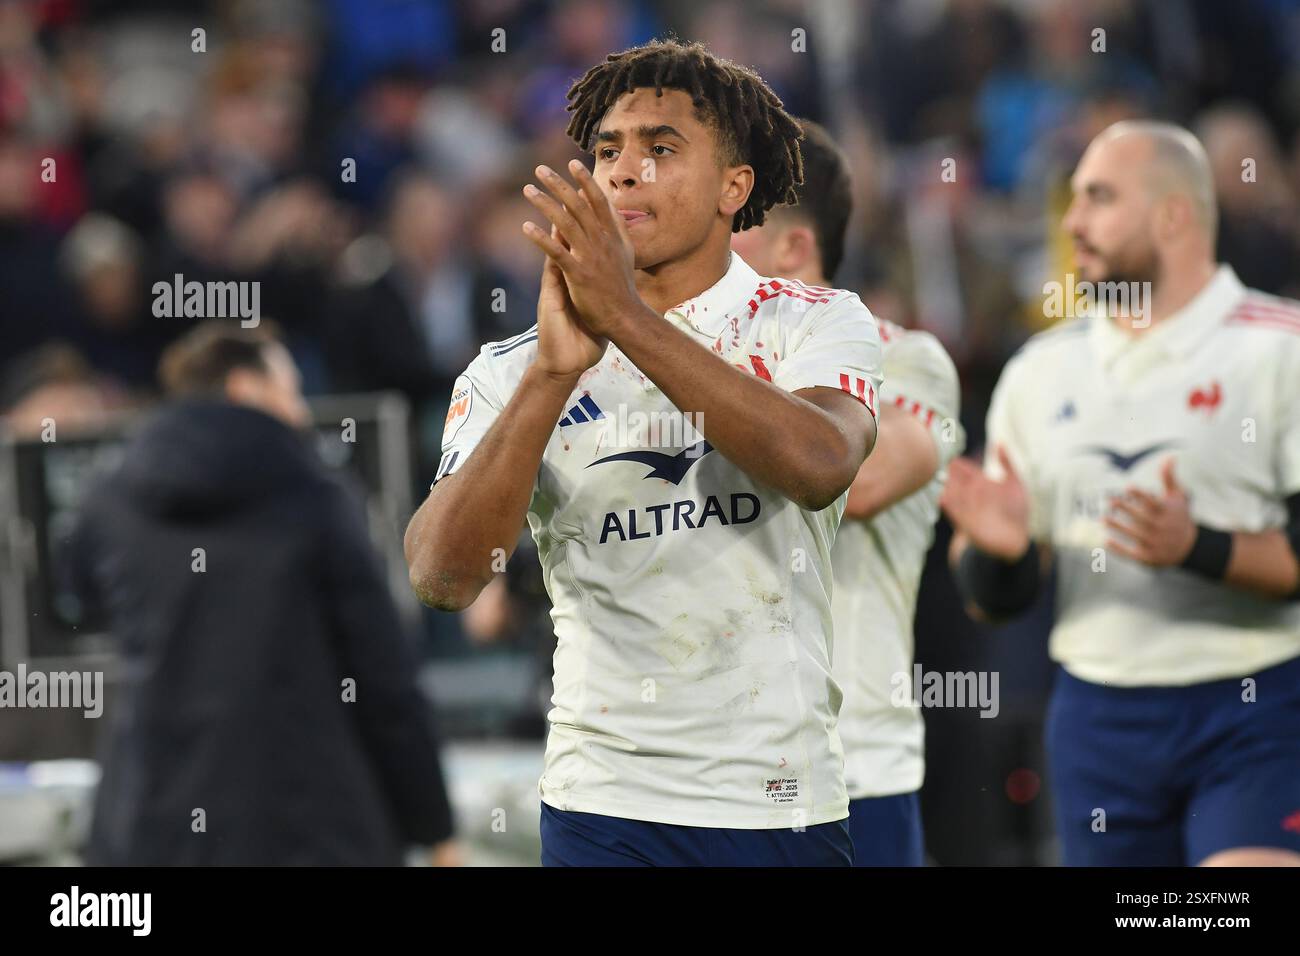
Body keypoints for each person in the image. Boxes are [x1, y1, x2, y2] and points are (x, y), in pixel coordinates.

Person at [405, 39, 882, 867]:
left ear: (736, 188)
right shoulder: (512, 368)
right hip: (602, 805)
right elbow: (443, 578)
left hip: (776, 799)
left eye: (661, 149)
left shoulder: (810, 321)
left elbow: (818, 465)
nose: (624, 172)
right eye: (606, 152)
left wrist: (625, 317)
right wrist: (554, 375)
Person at [941, 120, 1300, 867]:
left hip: (1256, 707)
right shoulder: (1039, 371)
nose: (1072, 222)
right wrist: (1001, 557)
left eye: (1099, 198)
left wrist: (1197, 547)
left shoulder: (1279, 351)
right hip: (1098, 716)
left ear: (1174, 214)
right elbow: (992, 597)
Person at [68, 320, 458, 866]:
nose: (300, 413)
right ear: (245, 389)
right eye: (291, 391)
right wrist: (433, 825)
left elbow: (79, 604)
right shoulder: (316, 500)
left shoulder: (108, 501)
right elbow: (383, 677)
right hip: (313, 832)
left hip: (148, 831)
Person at [733, 120, 964, 866]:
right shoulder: (678, 361)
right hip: (710, 773)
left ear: (794, 248)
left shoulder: (908, 360)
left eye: (732, 222)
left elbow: (848, 481)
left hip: (856, 766)